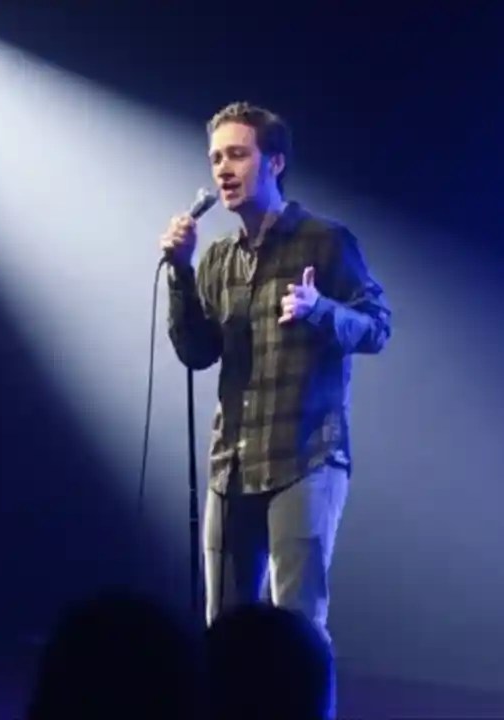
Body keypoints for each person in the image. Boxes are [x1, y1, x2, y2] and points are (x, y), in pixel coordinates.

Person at [160, 101, 391, 644]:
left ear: (275, 163)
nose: (223, 169)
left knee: (296, 630)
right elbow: (197, 352)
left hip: (305, 456)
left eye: (238, 154)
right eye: (216, 157)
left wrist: (321, 311)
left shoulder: (324, 240)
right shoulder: (217, 258)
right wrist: (180, 271)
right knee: (225, 634)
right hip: (231, 466)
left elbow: (379, 326)